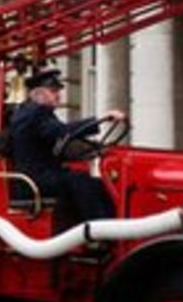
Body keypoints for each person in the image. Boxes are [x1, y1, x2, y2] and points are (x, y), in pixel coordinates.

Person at [9, 68, 125, 225]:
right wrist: (100, 120)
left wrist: (94, 148)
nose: (58, 95)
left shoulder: (40, 113)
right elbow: (61, 131)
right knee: (80, 181)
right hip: (35, 179)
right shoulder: (32, 113)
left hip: (44, 174)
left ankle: (109, 227)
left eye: (58, 90)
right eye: (53, 91)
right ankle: (101, 230)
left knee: (97, 182)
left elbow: (57, 141)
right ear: (38, 94)